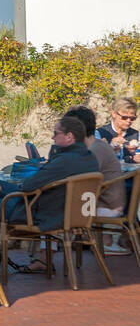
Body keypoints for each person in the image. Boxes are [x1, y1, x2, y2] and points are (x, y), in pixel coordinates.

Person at [0, 115, 98, 273]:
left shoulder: (63, 161)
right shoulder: (90, 158)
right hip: (64, 209)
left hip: (42, 212)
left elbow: (28, 186)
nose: (52, 137)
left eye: (55, 133)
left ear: (69, 136)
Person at [66, 105, 127, 253]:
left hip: (105, 207)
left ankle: (45, 255)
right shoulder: (97, 145)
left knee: (52, 206)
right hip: (108, 202)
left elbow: (79, 180)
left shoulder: (94, 150)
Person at [96, 97, 139, 164]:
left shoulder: (135, 134)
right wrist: (110, 148)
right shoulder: (100, 133)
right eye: (124, 117)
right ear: (114, 114)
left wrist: (134, 155)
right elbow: (95, 160)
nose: (128, 121)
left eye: (132, 118)